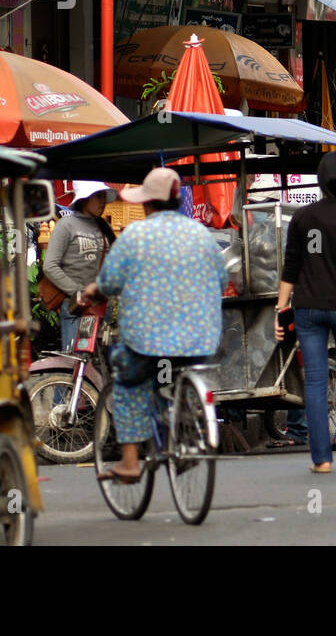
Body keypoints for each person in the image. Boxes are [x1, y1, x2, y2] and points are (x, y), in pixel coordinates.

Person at [84, 168, 224, 484]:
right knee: (168, 373)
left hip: (148, 341)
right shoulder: (201, 234)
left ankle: (131, 461)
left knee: (128, 379)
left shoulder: (135, 236)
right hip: (199, 340)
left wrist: (93, 291)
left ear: (148, 203)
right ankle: (182, 426)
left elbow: (109, 281)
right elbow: (221, 279)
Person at [274, 152, 336, 473]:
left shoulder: (303, 217)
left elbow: (291, 267)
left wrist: (281, 309)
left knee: (314, 380)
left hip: (309, 308)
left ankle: (322, 459)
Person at [42, 181, 117, 351]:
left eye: (104, 196)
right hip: (75, 307)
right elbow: (50, 266)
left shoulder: (105, 227)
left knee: (101, 364)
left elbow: (116, 261)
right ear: (84, 198)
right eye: (98, 196)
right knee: (75, 362)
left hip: (102, 306)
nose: (103, 201)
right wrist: (78, 292)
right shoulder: (65, 225)